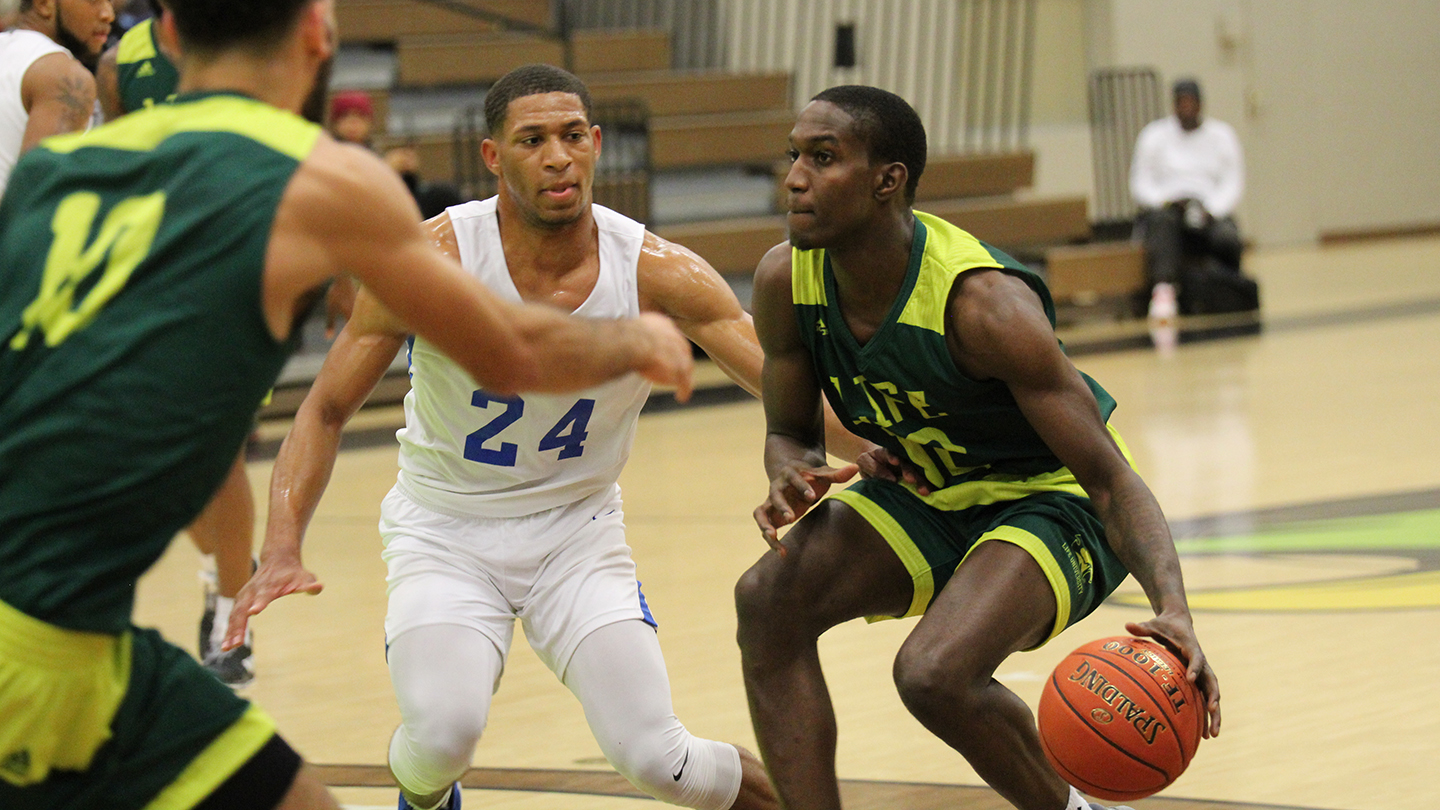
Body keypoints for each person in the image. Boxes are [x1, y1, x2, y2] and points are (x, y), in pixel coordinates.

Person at [0, 3, 694, 809]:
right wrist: (633, 343)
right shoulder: (321, 179)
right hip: (42, 643)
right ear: (318, 39)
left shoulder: (52, 173)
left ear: (173, 39)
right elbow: (510, 354)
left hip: (77, 631)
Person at [225, 63, 868, 810]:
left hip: (577, 533)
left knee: (660, 761)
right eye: (532, 140)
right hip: (446, 530)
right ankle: (426, 797)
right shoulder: (435, 258)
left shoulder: (660, 271)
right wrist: (280, 544)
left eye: (571, 136)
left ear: (595, 144)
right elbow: (326, 409)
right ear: (495, 157)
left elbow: (789, 392)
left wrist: (893, 456)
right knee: (441, 738)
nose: (558, 156)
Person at [735, 85, 1222, 810]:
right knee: (767, 601)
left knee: (933, 673)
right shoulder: (786, 277)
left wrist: (1174, 608)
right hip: (932, 489)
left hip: (1052, 498)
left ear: (887, 181)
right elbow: (788, 431)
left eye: (824, 157)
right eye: (794, 155)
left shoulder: (983, 307)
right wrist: (790, 471)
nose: (795, 177)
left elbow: (1110, 478)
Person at [94, 0, 264, 688]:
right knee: (160, 469)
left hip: (233, 277)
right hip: (148, 277)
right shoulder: (120, 62)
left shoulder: (256, 42)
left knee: (219, 456)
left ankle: (232, 619)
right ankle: (228, 563)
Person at [1129, 78, 1245, 328]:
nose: (1186, 108)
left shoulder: (1222, 135)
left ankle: (1227, 289)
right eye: (1181, 102)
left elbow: (1232, 182)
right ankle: (1163, 292)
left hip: (1208, 208)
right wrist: (1167, 202)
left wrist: (1212, 210)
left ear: (1201, 104)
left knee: (1227, 237)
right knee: (1162, 225)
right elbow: (1141, 183)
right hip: (1168, 208)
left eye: (1191, 102)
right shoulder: (1154, 135)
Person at [0, 0, 114, 192]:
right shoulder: (64, 75)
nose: (108, 14)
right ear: (44, 4)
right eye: (95, 1)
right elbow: (37, 197)